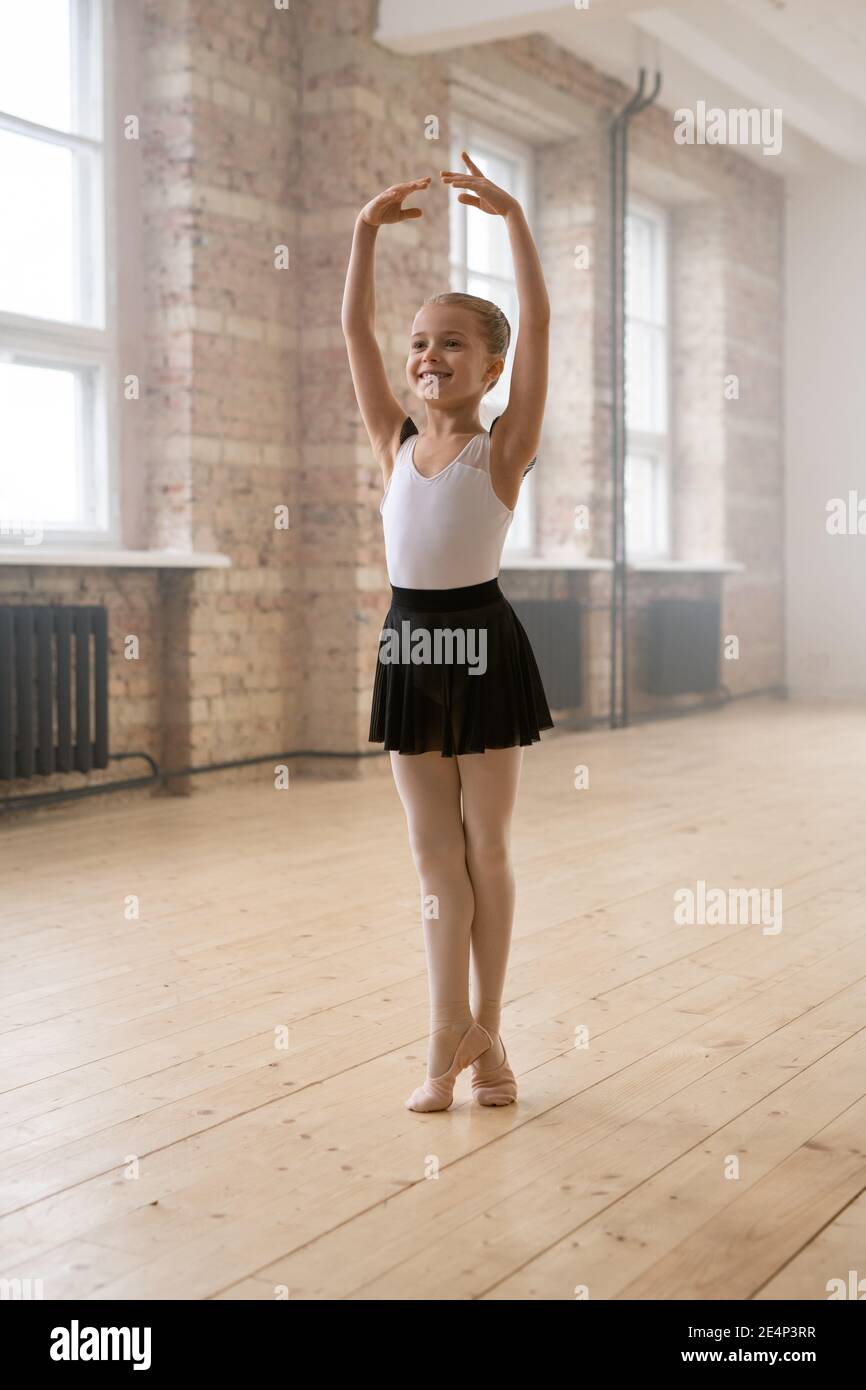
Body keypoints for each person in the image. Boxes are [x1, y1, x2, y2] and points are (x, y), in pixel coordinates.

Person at [341, 152, 553, 1112]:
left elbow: (541, 324)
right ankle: (453, 1035)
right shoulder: (392, 438)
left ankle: (487, 1029)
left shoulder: (502, 446)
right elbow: (354, 331)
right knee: (432, 854)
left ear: (494, 366)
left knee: (487, 848)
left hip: (481, 643)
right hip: (410, 644)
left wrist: (511, 218)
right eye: (421, 343)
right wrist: (362, 235)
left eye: (454, 344)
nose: (430, 357)